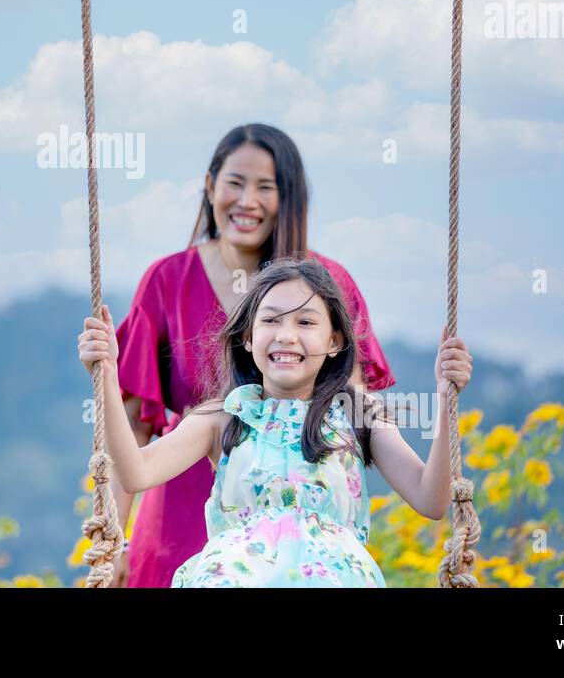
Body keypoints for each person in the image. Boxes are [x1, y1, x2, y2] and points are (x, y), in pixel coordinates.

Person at [111, 123, 395, 587]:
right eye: (235, 183)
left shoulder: (329, 283)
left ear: (290, 198)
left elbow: (354, 412)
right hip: (176, 519)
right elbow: (131, 424)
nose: (247, 201)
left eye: (266, 187)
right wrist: (111, 538)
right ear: (210, 187)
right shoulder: (166, 280)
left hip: (301, 549)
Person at [79, 256, 473, 586]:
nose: (286, 335)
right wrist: (109, 377)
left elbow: (430, 499)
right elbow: (135, 472)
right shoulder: (223, 416)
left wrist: (445, 400)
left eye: (305, 323)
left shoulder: (357, 414)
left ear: (335, 341)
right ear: (248, 337)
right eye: (271, 321)